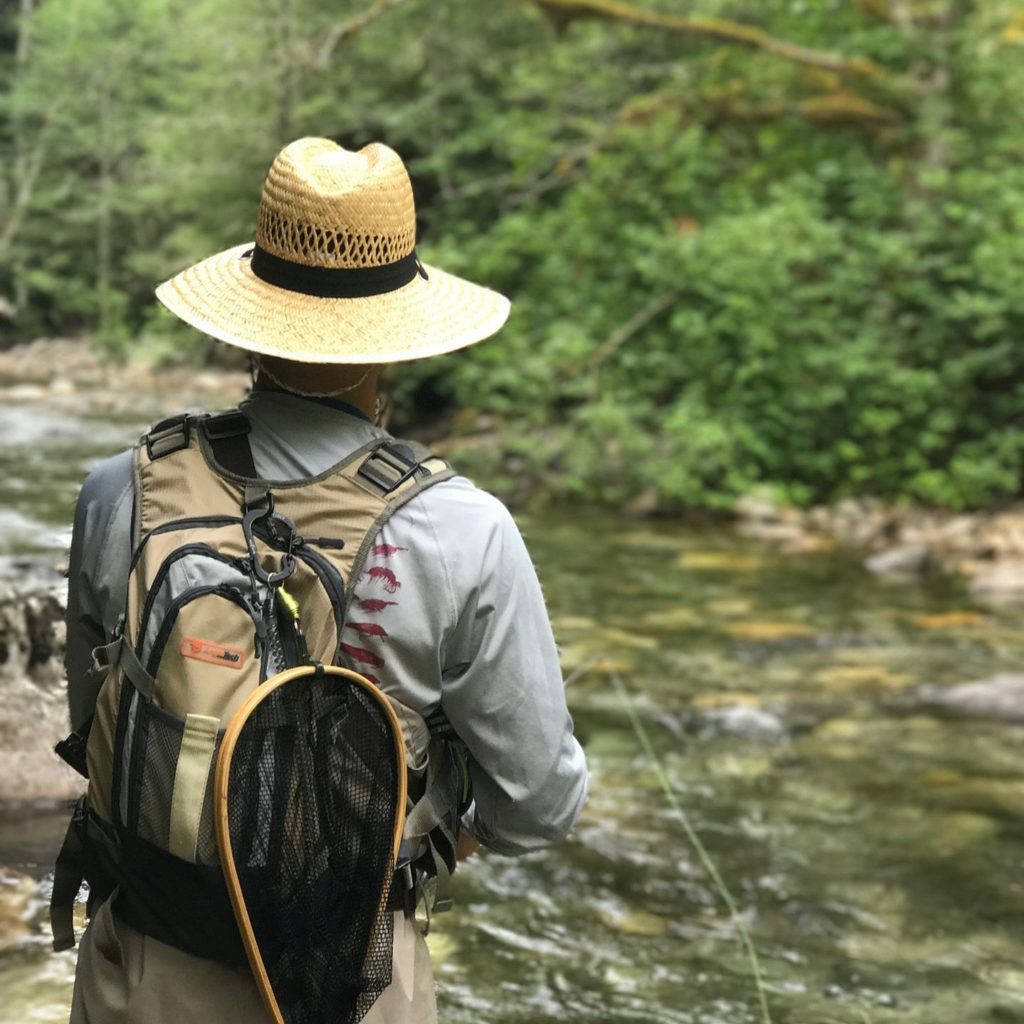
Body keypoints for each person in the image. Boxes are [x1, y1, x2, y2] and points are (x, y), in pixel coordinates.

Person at [62, 137, 589, 1023]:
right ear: (398, 337)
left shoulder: (121, 487)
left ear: (248, 316)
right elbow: (539, 804)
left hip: (142, 969)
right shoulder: (464, 529)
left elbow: (94, 725)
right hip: (355, 984)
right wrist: (430, 843)